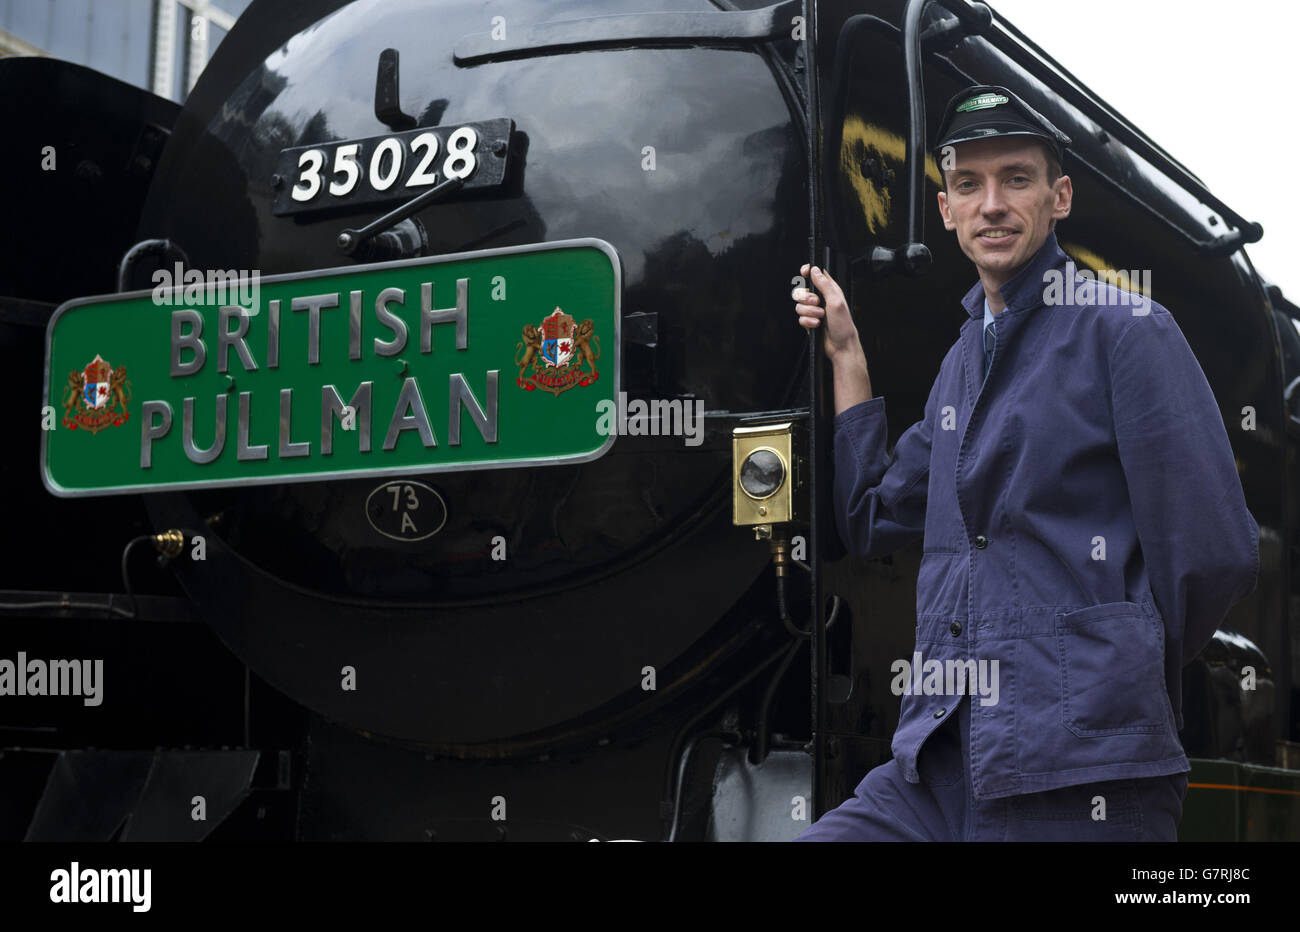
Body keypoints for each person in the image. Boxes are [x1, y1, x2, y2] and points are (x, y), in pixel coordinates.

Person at [789, 85, 1259, 841]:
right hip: (935, 767)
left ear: (1059, 196)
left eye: (1016, 178)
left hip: (1084, 775)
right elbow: (871, 512)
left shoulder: (1128, 331)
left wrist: (1103, 674)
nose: (992, 204)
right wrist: (847, 354)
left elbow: (1213, 554)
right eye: (968, 185)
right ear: (946, 212)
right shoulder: (958, 368)